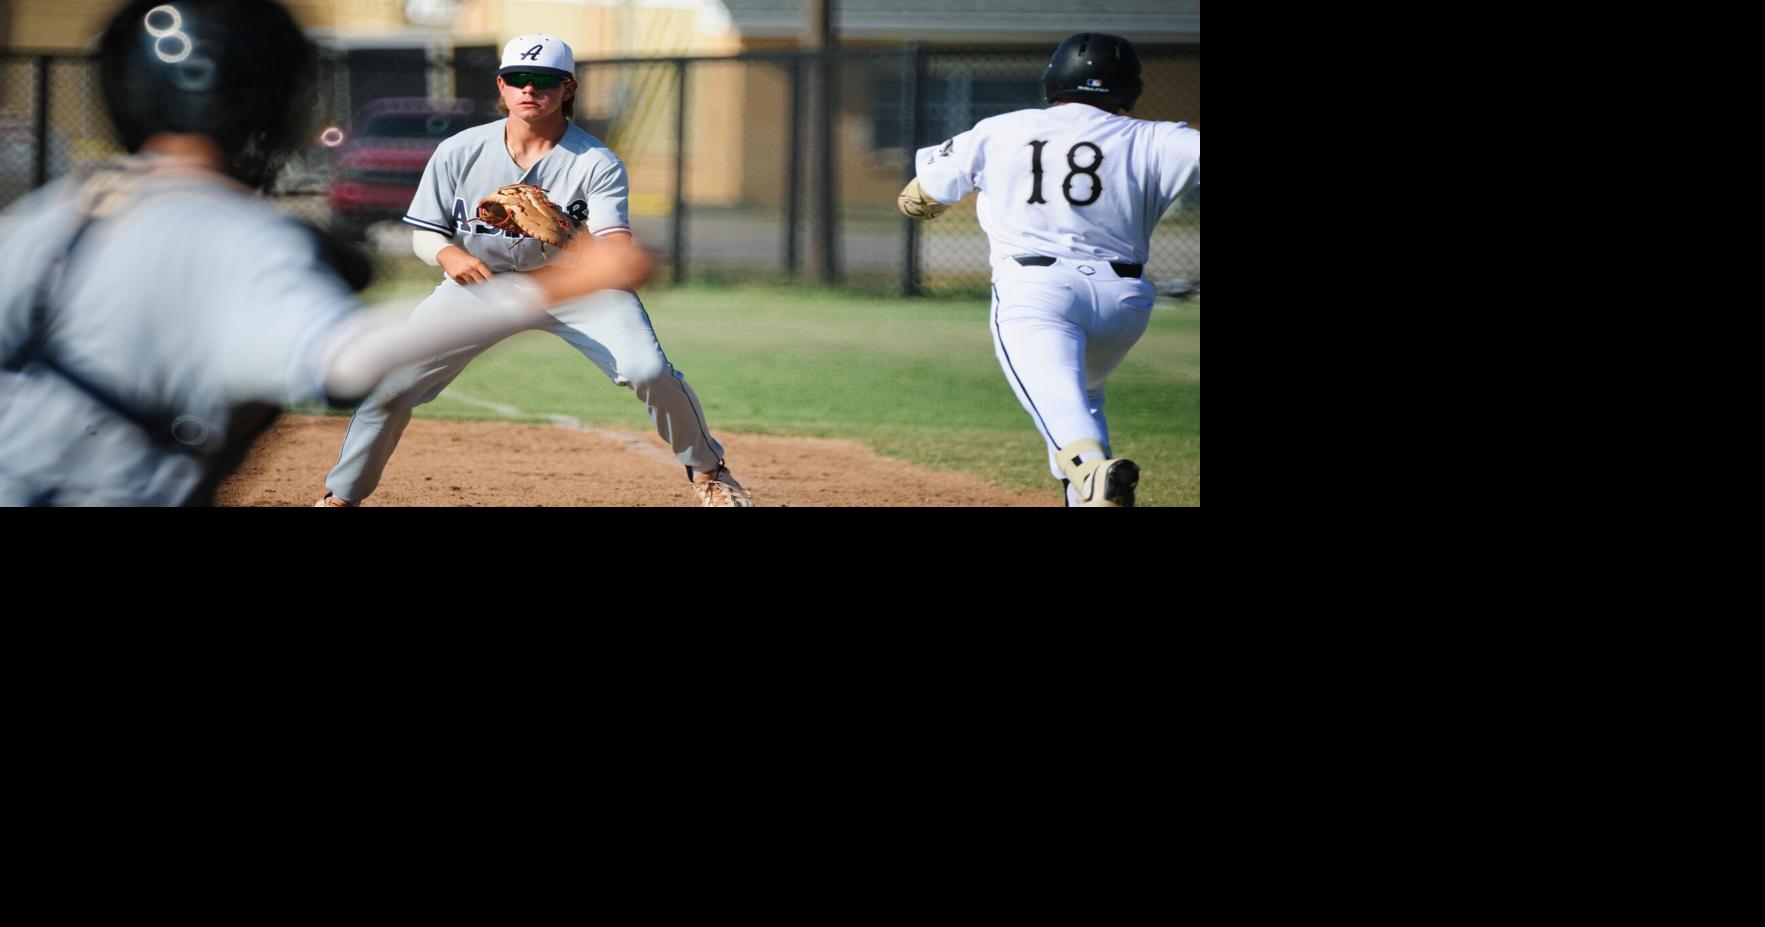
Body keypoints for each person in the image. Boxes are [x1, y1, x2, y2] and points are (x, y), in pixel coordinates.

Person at [0, 0, 652, 506]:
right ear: (283, 101)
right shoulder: (241, 232)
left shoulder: (45, 214)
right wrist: (556, 284)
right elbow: (345, 362)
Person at [314, 33, 750, 508]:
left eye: (543, 80)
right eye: (518, 78)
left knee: (647, 370)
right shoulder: (459, 150)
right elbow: (426, 232)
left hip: (577, 288)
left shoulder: (596, 162)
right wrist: (449, 256)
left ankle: (709, 472)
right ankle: (342, 497)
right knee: (390, 384)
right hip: (483, 285)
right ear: (501, 86)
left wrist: (568, 236)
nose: (529, 88)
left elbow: (615, 249)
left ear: (568, 89)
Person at [898, 33, 1200, 507]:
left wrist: (931, 200)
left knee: (1060, 407)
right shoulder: (1159, 138)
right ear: (1130, 86)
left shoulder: (1002, 129)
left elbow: (918, 198)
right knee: (1084, 398)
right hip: (1124, 301)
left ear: (1053, 79)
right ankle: (1092, 488)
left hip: (1037, 291)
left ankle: (1091, 472)